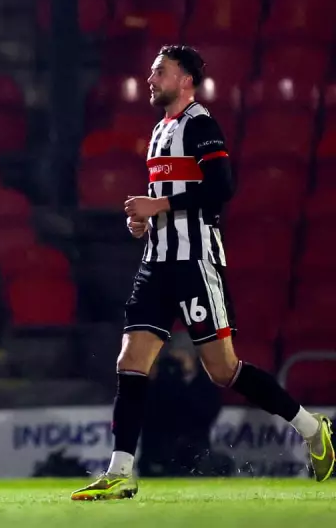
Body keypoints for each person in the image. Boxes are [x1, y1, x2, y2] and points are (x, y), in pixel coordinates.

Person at [71, 45, 334, 500]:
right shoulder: (157, 131)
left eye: (160, 71)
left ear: (186, 80)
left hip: (195, 262)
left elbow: (220, 188)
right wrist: (145, 220)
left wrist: (161, 205)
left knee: (223, 370)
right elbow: (166, 200)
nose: (151, 78)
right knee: (130, 361)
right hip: (157, 262)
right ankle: (121, 472)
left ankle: (313, 430)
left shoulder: (200, 125)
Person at [138, 333, 231, 477]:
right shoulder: (161, 378)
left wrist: (189, 376)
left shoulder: (205, 381)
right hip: (161, 452)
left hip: (194, 452)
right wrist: (152, 380)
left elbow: (207, 413)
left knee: (222, 464)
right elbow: (150, 413)